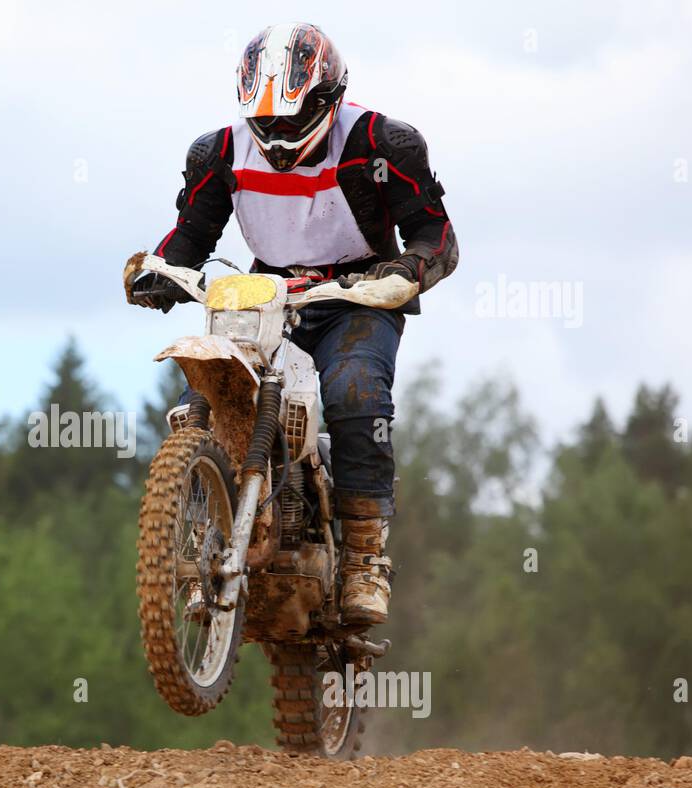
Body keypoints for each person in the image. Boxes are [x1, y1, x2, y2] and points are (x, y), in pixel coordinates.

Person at [130, 22, 459, 625]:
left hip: (357, 293)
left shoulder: (384, 143)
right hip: (266, 292)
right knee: (200, 397)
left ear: (329, 99)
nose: (280, 135)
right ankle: (202, 531)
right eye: (268, 121)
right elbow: (191, 238)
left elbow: (436, 234)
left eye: (294, 118)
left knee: (354, 391)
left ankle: (364, 557)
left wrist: (409, 270)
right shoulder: (219, 152)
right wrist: (158, 272)